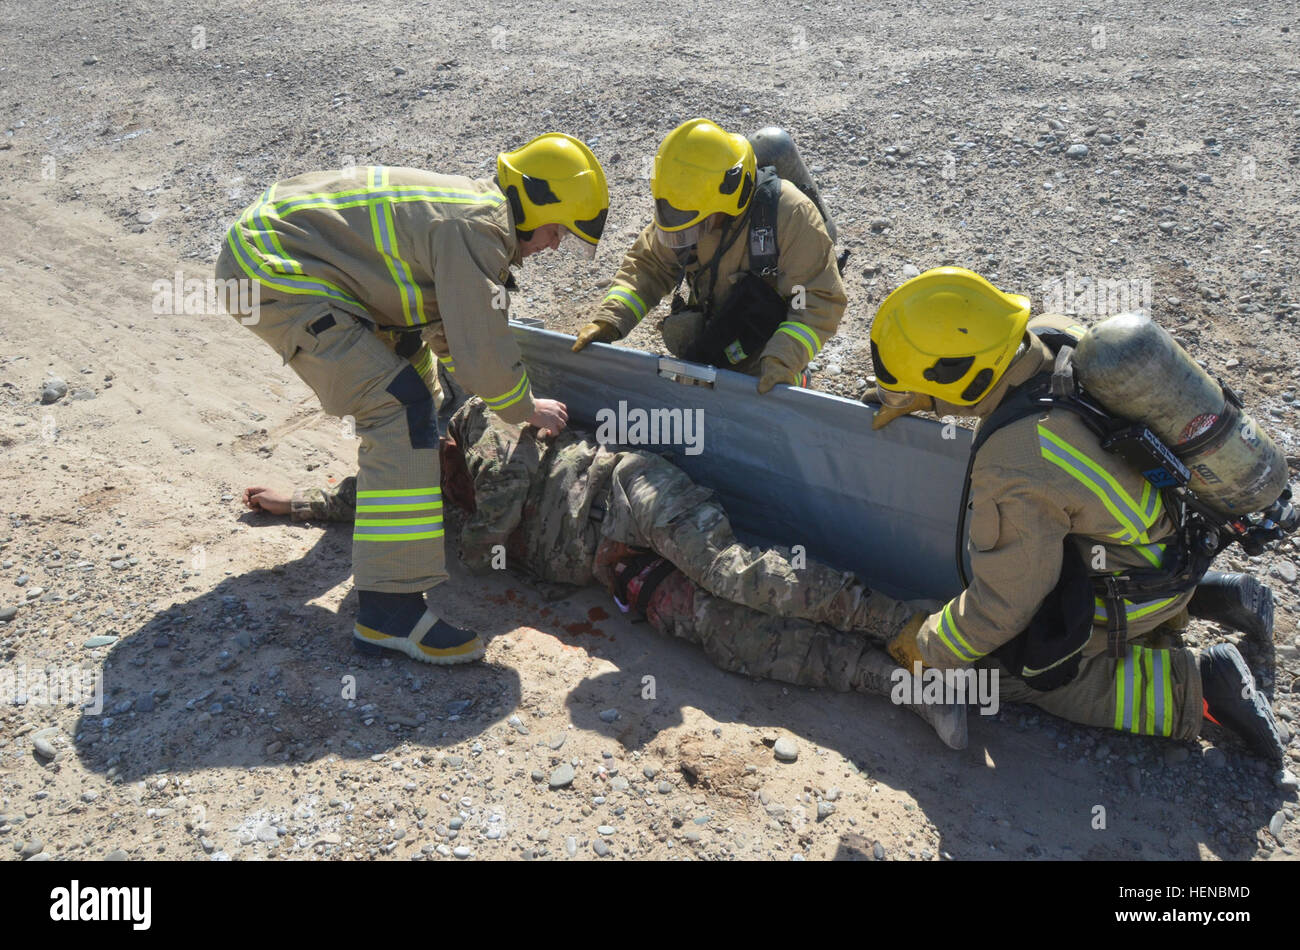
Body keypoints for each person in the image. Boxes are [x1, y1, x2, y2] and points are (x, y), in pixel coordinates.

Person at [244, 397, 968, 748]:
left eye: (423, 454)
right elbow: (364, 497)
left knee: (737, 575)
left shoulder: (479, 416)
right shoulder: (417, 485)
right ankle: (907, 685)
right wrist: (298, 504)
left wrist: (465, 530)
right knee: (734, 640)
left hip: (625, 494)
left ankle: (906, 622)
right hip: (609, 569)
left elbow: (494, 510)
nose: (424, 467)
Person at [215, 134, 609, 665]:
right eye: (558, 230)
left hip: (299, 264)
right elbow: (481, 351)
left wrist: (306, 501)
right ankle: (389, 614)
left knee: (414, 401)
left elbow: (442, 323)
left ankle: (378, 560)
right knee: (400, 408)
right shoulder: (479, 229)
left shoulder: (469, 215)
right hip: (275, 271)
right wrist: (523, 408)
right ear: (536, 204)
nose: (556, 245)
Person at [866, 266, 1286, 761]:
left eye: (916, 390)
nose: (909, 402)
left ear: (958, 376)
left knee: (1011, 670)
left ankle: (1198, 688)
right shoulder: (1053, 334)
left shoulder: (1015, 463)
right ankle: (1208, 597)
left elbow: (1005, 603)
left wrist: (932, 648)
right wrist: (915, 398)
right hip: (1180, 535)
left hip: (1143, 581)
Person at [570, 118, 845, 394]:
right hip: (718, 329)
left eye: (696, 225)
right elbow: (650, 266)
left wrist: (783, 359)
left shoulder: (790, 214)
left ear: (729, 198)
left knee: (763, 395)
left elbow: (811, 299)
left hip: (768, 341)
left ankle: (797, 378)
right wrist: (609, 321)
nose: (688, 233)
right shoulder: (687, 205)